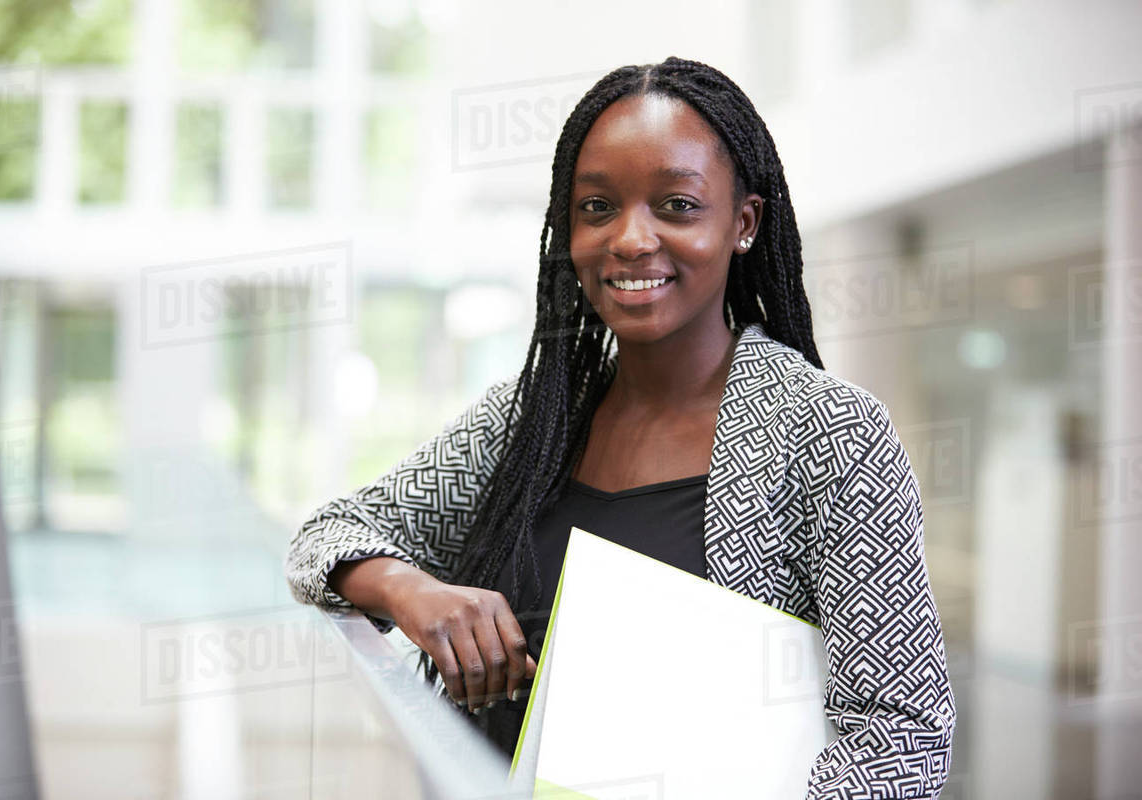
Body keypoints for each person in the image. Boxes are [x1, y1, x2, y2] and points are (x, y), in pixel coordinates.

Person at [286, 56, 955, 797]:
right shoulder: (533, 420)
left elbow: (904, 731)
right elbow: (325, 537)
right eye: (597, 208)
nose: (630, 240)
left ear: (744, 222)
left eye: (676, 205)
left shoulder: (830, 433)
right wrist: (412, 591)